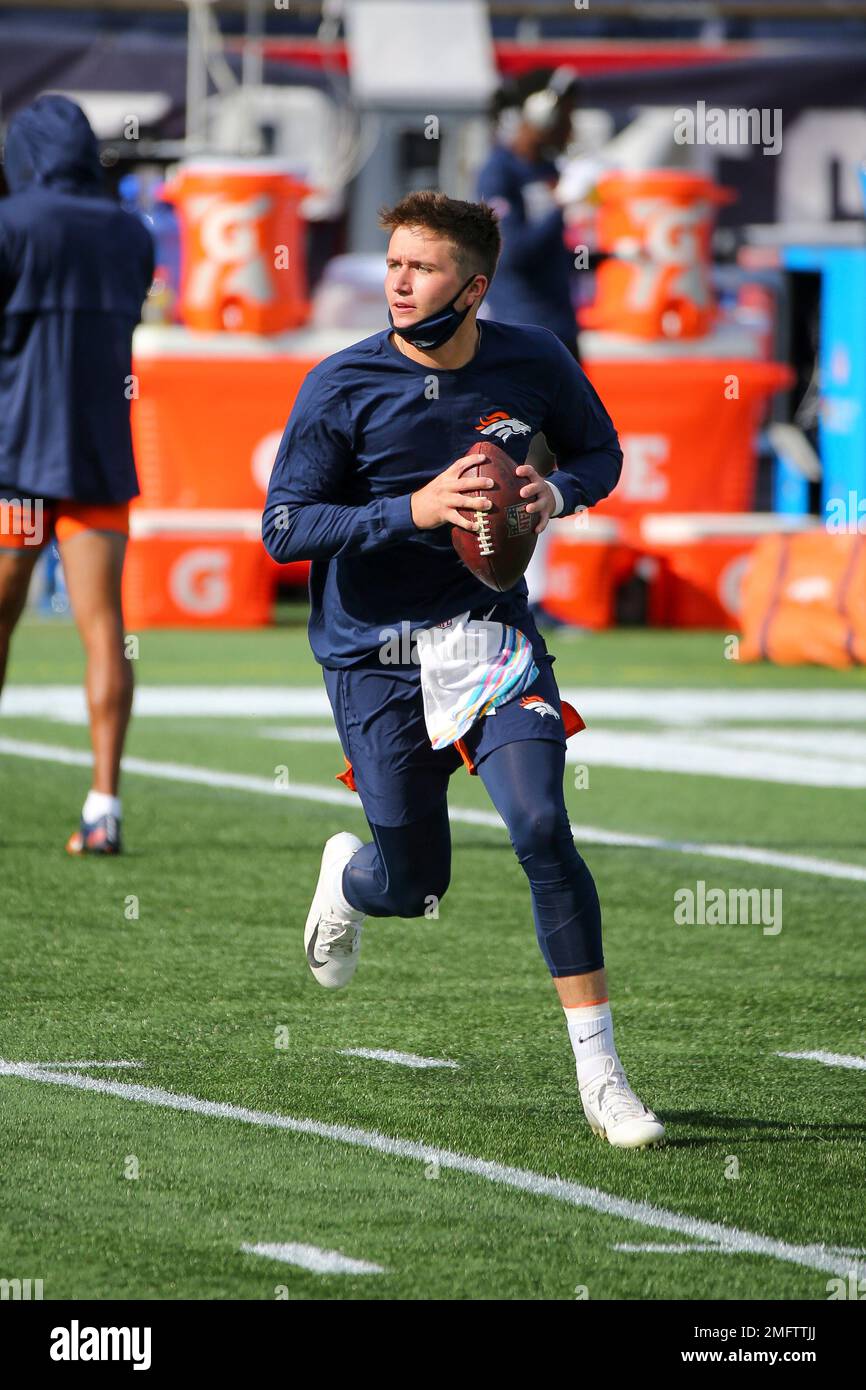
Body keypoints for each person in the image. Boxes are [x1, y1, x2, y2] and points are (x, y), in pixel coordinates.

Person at [263, 191, 663, 1149]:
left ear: (474, 288)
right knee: (414, 883)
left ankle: (605, 1077)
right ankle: (348, 880)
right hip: (376, 653)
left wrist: (556, 492)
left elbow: (603, 452)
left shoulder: (534, 358)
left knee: (543, 828)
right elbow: (283, 527)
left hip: (489, 635)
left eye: (424, 267)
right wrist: (413, 509)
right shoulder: (340, 383)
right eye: (394, 263)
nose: (400, 283)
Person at [0, 95, 154, 853]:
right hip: (97, 454)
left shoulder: (10, 222)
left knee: (1, 618)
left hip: (15, 454)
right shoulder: (131, 231)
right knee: (103, 626)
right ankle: (103, 808)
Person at [476, 67, 582, 359]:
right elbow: (511, 253)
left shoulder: (549, 169)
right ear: (542, 115)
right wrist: (559, 206)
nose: (571, 128)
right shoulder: (499, 173)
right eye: (566, 116)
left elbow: (552, 255)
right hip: (523, 333)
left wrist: (613, 256)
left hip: (562, 329)